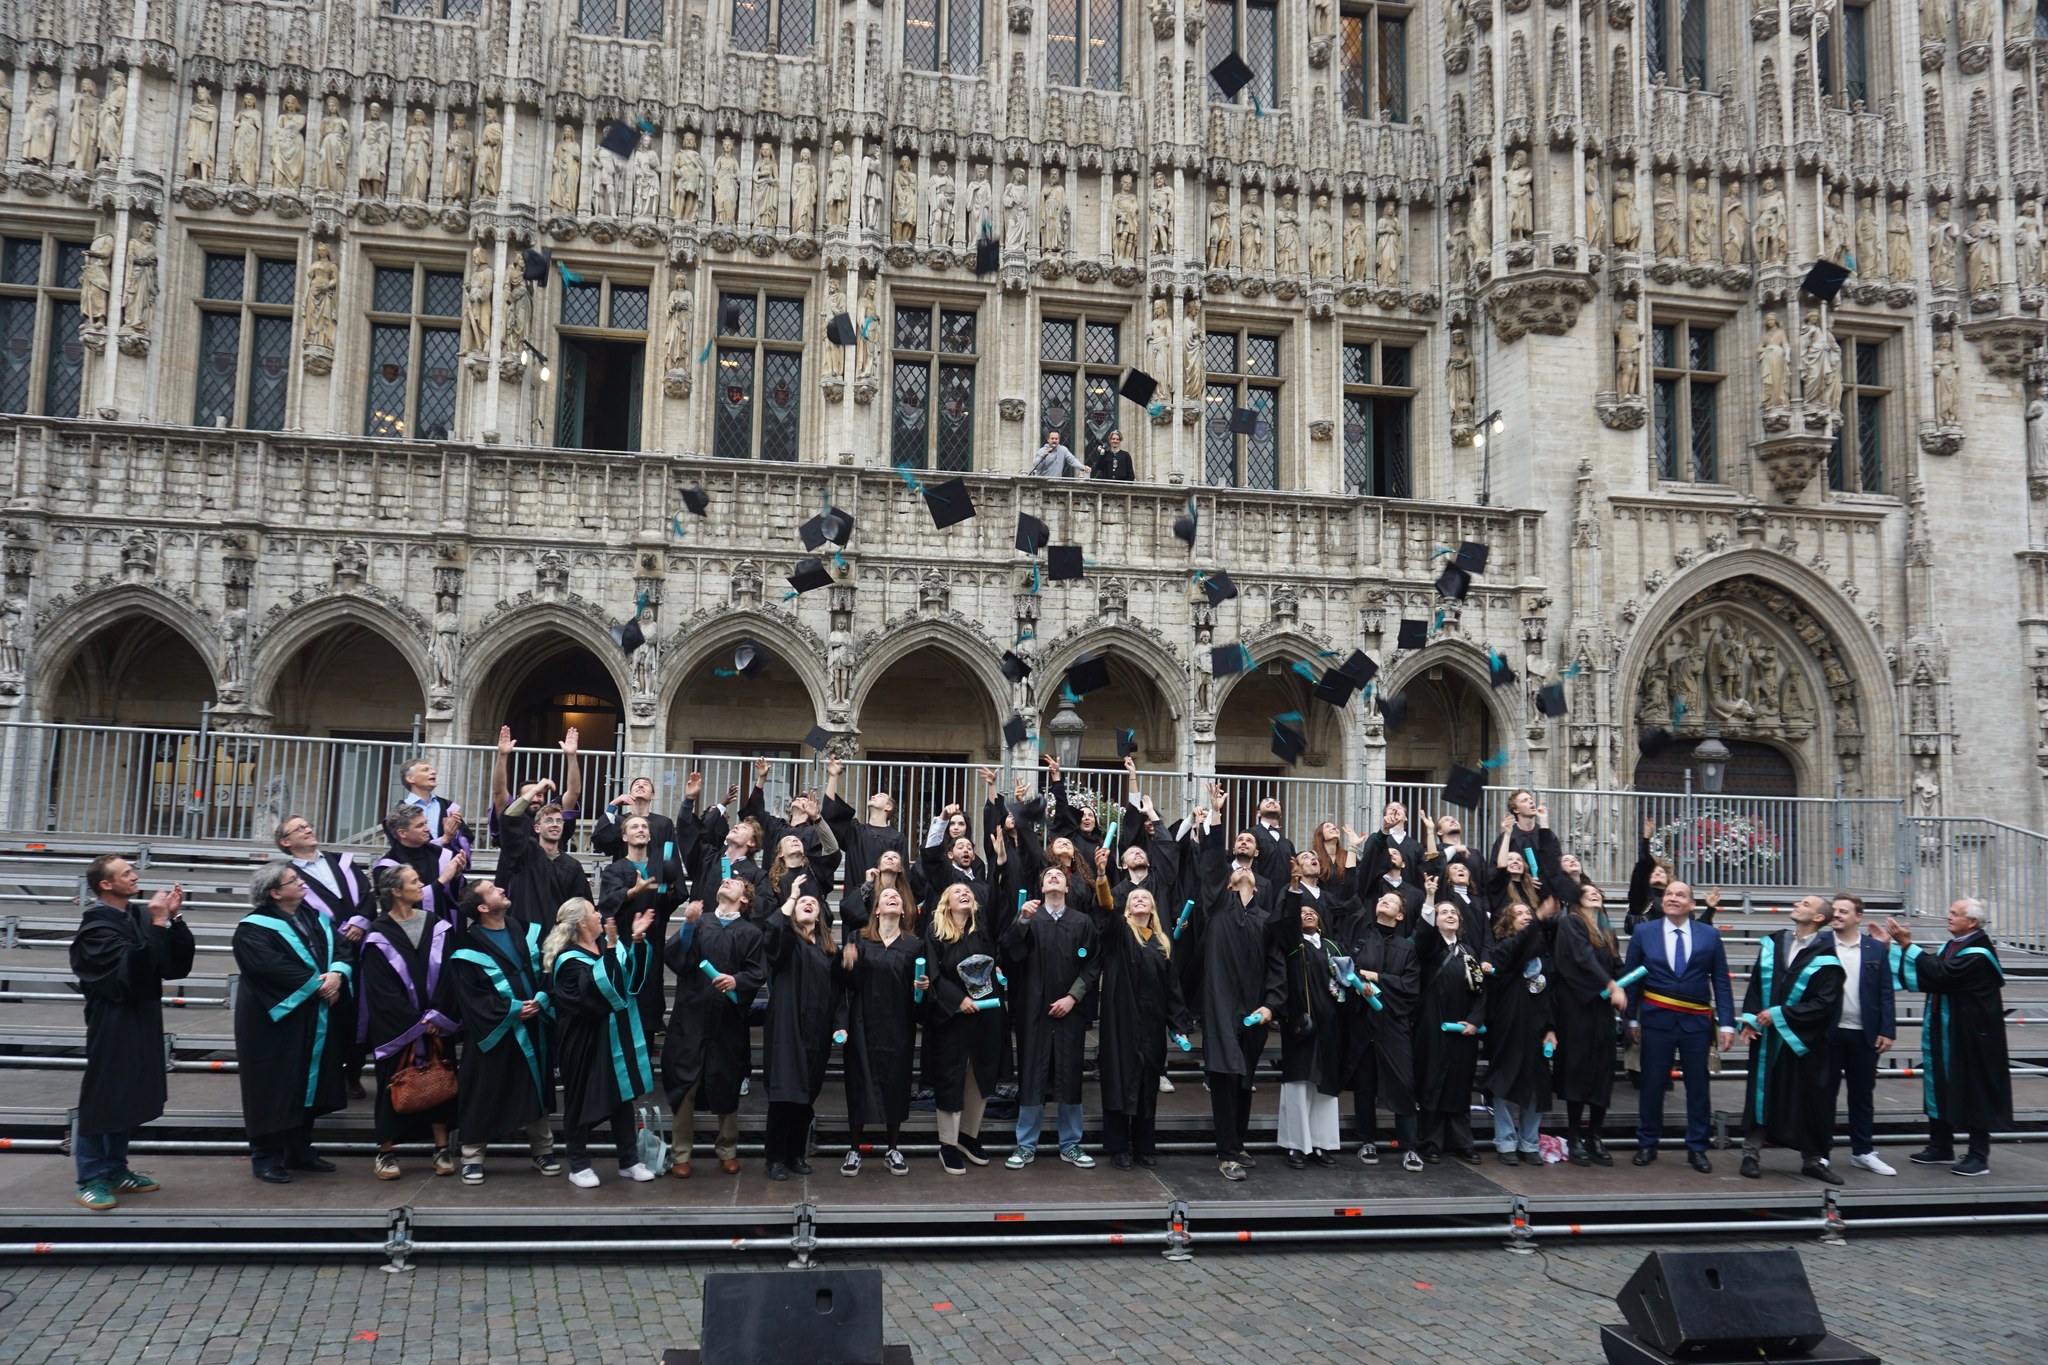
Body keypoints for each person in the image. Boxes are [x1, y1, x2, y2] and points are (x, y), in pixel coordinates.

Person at [70, 856, 194, 1210]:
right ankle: (90, 1176)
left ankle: (115, 1169)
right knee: (105, 1093)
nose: (134, 876)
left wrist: (172, 919)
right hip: (113, 1018)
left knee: (128, 1092)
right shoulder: (95, 927)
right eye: (126, 873)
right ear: (106, 884)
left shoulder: (137, 916)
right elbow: (130, 974)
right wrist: (157, 922)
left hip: (143, 1016)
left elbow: (171, 965)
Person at [1872, 899, 2012, 1177]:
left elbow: (1941, 974)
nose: (1947, 917)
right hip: (1945, 1027)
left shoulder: (1979, 953)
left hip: (1973, 1036)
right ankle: (1941, 1146)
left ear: (1971, 922)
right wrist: (1887, 947)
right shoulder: (1953, 945)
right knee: (1938, 1082)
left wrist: (1907, 945)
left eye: (1954, 914)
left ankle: (1978, 1155)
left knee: (1974, 1090)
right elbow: (1927, 974)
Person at [235, 863, 351, 1184]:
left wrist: (339, 975)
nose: (301, 883)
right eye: (294, 880)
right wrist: (319, 985)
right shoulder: (253, 928)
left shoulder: (315, 917)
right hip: (274, 1022)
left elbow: (342, 948)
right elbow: (268, 968)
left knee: (305, 1084)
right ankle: (266, 1157)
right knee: (273, 1087)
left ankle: (299, 1150)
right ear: (275, 892)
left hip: (313, 1017)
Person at [439, 882, 560, 1184]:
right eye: (493, 889)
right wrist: (511, 1010)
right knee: (484, 1093)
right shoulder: (467, 948)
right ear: (482, 907)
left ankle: (543, 1151)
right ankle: (473, 1156)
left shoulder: (526, 930)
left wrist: (543, 999)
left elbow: (550, 969)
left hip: (533, 1028)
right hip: (493, 1036)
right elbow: (470, 997)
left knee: (535, 1090)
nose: (502, 889)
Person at [1191, 796, 1285, 1181]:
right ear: (1228, 883)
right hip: (1220, 1005)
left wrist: (1271, 1006)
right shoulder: (1217, 907)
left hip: (1254, 1007)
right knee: (1227, 1074)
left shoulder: (1265, 917)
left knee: (1245, 1076)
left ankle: (1239, 1143)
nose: (1241, 876)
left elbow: (1279, 966)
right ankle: (1226, 1151)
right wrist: (1216, 815)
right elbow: (1211, 862)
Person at [542, 897, 658, 1188]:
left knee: (622, 1100)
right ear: (582, 922)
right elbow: (594, 994)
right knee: (579, 1099)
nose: (599, 915)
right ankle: (578, 1164)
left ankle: (629, 1161)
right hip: (583, 1040)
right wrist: (609, 950)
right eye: (594, 912)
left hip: (614, 1037)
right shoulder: (567, 959)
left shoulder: (607, 947)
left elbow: (628, 981)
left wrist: (637, 939)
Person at [1624, 880, 1736, 1172]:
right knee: (1651, 1085)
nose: (1673, 898)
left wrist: (1727, 1024)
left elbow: (1721, 982)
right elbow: (1632, 977)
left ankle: (1697, 1148)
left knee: (1698, 1087)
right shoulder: (1643, 932)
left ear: (1692, 904)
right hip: (1656, 1021)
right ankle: (1648, 1143)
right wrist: (1632, 1019)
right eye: (1669, 894)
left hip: (1697, 1024)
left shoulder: (1709, 935)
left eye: (1680, 895)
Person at [357, 865, 459, 1181]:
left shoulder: (438, 926)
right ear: (396, 892)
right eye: (414, 881)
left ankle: (442, 1148)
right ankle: (386, 1151)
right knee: (393, 1085)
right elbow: (380, 991)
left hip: (436, 1025)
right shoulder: (377, 934)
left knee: (440, 1083)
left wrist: (436, 1017)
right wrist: (415, 1023)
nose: (421, 884)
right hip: (398, 1030)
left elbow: (450, 976)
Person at [1736, 894, 1846, 1184]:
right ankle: (1750, 1153)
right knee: (1761, 1094)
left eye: (1806, 904)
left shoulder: (1828, 955)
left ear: (1819, 918)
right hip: (1768, 1040)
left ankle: (1813, 1160)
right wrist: (1749, 1020)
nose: (1797, 905)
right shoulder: (1774, 943)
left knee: (1809, 1099)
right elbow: (1757, 985)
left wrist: (1781, 1015)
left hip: (1804, 1044)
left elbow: (1826, 1003)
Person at [1090, 853, 1190, 1170]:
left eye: (1145, 898)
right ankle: (1119, 1146)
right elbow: (1105, 911)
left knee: (1148, 1084)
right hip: (1121, 1025)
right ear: (1127, 907)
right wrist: (1103, 877)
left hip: (1152, 1027)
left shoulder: (1162, 943)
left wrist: (1178, 1024)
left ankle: (1145, 1145)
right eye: (1134, 898)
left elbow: (1173, 988)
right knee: (1120, 1081)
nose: (1140, 901)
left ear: (1153, 907)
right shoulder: (1120, 933)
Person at [663, 876, 765, 1178]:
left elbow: (757, 972)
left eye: (735, 882)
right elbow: (678, 961)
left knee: (726, 1080)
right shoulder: (700, 921)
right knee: (686, 1084)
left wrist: (737, 981)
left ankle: (727, 1149)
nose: (726, 881)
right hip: (690, 1016)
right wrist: (688, 926)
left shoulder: (750, 932)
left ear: (745, 899)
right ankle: (680, 1153)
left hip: (727, 1018)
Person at [1002, 861, 1101, 1169]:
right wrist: (1022, 921)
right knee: (1032, 1075)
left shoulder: (1082, 922)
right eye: (1048, 877)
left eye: (1060, 875)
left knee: (1070, 1076)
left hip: (1069, 1013)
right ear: (1042, 888)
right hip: (1035, 1012)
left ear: (1067, 888)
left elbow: (1092, 964)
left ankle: (1070, 1143)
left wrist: (1073, 997)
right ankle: (1025, 1145)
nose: (1055, 878)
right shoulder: (1030, 919)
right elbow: (1008, 952)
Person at [274, 813, 371, 1096]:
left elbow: (366, 895)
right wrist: (336, 933)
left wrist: (360, 922)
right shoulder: (286, 876)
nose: (308, 829)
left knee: (359, 1014)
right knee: (333, 1013)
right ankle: (327, 1079)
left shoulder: (341, 861)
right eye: (299, 828)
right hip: (324, 951)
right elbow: (297, 910)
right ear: (285, 841)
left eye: (308, 825)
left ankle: (353, 1074)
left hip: (362, 945)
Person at [838, 885, 925, 1176]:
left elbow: (921, 993)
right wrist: (849, 966)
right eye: (886, 896)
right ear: (876, 909)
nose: (892, 898)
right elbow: (849, 986)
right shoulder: (858, 940)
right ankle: (853, 1149)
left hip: (899, 1025)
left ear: (903, 910)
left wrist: (922, 990)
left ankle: (893, 1148)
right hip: (863, 1023)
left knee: (896, 1083)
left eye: (897, 898)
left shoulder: (915, 945)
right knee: (858, 1083)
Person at [760, 887, 842, 1181]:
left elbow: (838, 993)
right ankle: (775, 1159)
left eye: (814, 902)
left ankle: (796, 1153)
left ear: (821, 914)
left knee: (806, 1096)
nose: (808, 903)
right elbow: (772, 931)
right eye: (802, 902)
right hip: (787, 1028)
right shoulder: (787, 941)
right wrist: (792, 896)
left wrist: (838, 1024)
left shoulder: (828, 949)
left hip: (816, 1031)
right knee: (783, 1095)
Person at [1337, 890, 1422, 1171]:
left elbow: (1410, 987)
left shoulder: (1407, 948)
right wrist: (1361, 986)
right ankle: (1367, 1141)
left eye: (1392, 900)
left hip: (1394, 1024)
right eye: (1381, 898)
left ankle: (1410, 1147)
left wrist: (1377, 978)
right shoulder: (1361, 939)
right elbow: (1349, 970)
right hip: (1363, 1022)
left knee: (1403, 1084)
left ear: (1400, 915)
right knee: (1365, 1085)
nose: (1383, 900)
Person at [925, 882, 1004, 1173]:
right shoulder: (935, 934)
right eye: (958, 891)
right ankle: (947, 1144)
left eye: (968, 892)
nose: (965, 893)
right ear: (946, 902)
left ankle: (968, 1137)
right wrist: (959, 1000)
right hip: (951, 1018)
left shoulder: (982, 932)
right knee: (951, 1077)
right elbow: (933, 974)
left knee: (978, 1076)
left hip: (984, 1017)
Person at [1276, 863, 1348, 1168]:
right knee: (1298, 1084)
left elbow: (1346, 980)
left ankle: (1322, 1144)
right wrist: (1294, 889)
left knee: (1326, 1088)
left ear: (1321, 920)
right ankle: (1296, 1145)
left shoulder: (1333, 946)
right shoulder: (1294, 946)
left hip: (1331, 1023)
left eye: (1312, 912)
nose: (1307, 913)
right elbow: (1284, 923)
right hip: (1301, 1023)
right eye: (1302, 912)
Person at [1549, 883, 1628, 1167]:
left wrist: (1623, 982)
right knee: (1578, 1071)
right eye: (1587, 891)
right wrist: (1609, 984)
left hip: (1602, 1009)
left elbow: (1616, 963)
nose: (1595, 893)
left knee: (1602, 1071)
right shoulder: (1572, 923)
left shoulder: (1605, 928)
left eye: (1598, 891)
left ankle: (1595, 1135)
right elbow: (1581, 958)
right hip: (1577, 1007)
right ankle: (1574, 1136)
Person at [1822, 893, 1898, 1176]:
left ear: (1858, 917)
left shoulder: (1876, 949)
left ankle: (1863, 1151)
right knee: (1824, 1095)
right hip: (1828, 1033)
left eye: (1844, 911)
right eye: (1834, 910)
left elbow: (1885, 992)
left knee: (1863, 1096)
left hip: (1864, 1034)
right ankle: (1820, 1152)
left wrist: (1887, 1030)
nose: (1837, 914)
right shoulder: (1820, 944)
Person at [596, 812, 685, 1039]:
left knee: (649, 999)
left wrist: (670, 889)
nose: (641, 830)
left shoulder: (659, 870)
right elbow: (607, 904)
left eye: (644, 827)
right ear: (624, 837)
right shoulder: (614, 870)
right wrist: (634, 892)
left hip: (651, 942)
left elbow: (667, 903)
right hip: (624, 945)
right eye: (634, 826)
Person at [1412, 899, 1488, 1164]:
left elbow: (1480, 991)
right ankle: (1430, 1141)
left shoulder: (1469, 952)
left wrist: (1475, 1020)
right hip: (1432, 1026)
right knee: (1432, 1083)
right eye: (1444, 913)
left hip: (1463, 1029)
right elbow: (1422, 937)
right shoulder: (1429, 949)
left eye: (1453, 912)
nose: (1450, 915)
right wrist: (1431, 901)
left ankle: (1462, 1142)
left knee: (1460, 1084)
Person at [490, 727, 589, 919]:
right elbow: (499, 793)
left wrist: (571, 756)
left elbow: (574, 792)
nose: (535, 799)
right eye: (531, 795)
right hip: (517, 887)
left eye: (540, 794)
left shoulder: (551, 814)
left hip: (553, 884)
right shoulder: (513, 817)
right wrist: (502, 756)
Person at [1482, 900, 1554, 1167]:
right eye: (1519, 914)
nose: (1526, 917)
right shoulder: (1503, 948)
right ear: (1508, 922)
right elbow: (1516, 951)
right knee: (1503, 1086)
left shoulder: (1544, 954)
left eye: (1528, 913)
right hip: (1508, 1028)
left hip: (1536, 1030)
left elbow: (1551, 994)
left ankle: (1529, 1143)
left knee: (1536, 1086)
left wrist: (1551, 1028)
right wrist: (1538, 920)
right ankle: (1505, 1142)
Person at [822, 753, 908, 889]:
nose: (873, 795)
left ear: (888, 807)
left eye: (880, 796)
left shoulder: (897, 838)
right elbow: (830, 813)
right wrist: (833, 777)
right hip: (856, 900)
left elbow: (903, 874)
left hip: (884, 900)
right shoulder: (855, 831)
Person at [376, 804, 468, 923]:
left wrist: (456, 875)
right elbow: (399, 907)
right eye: (420, 826)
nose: (427, 829)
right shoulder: (387, 867)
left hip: (441, 927)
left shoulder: (441, 854)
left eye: (425, 823)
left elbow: (458, 897)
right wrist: (443, 880)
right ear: (402, 833)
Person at [593, 774, 678, 862]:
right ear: (630, 794)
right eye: (637, 784)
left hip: (655, 873)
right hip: (624, 872)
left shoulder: (664, 823)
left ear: (652, 796)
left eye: (646, 784)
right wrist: (612, 805)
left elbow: (669, 855)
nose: (641, 785)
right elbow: (602, 842)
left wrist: (666, 870)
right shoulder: (619, 821)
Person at [1353, 801, 1423, 892]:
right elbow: (1368, 863)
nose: (1394, 809)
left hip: (1408, 894)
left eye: (1399, 807)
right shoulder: (1376, 839)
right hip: (1379, 892)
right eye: (1390, 808)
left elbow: (1421, 873)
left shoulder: (1415, 846)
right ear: (1384, 817)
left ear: (1406, 818)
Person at [1624, 815, 1673, 934]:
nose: (1658, 872)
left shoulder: (1673, 898)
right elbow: (1643, 864)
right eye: (1653, 872)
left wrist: (1710, 909)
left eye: (1661, 871)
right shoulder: (1641, 898)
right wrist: (1645, 839)